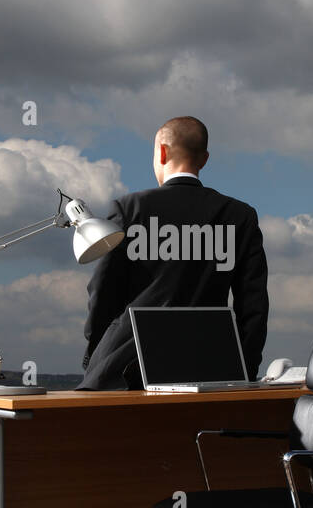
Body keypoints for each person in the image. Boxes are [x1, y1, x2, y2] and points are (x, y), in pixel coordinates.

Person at [79, 116, 268, 390]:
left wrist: (95, 356)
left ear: (162, 152)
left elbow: (102, 294)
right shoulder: (240, 216)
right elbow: (254, 306)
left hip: (126, 369)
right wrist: (243, 371)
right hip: (210, 368)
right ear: (204, 160)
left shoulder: (129, 209)